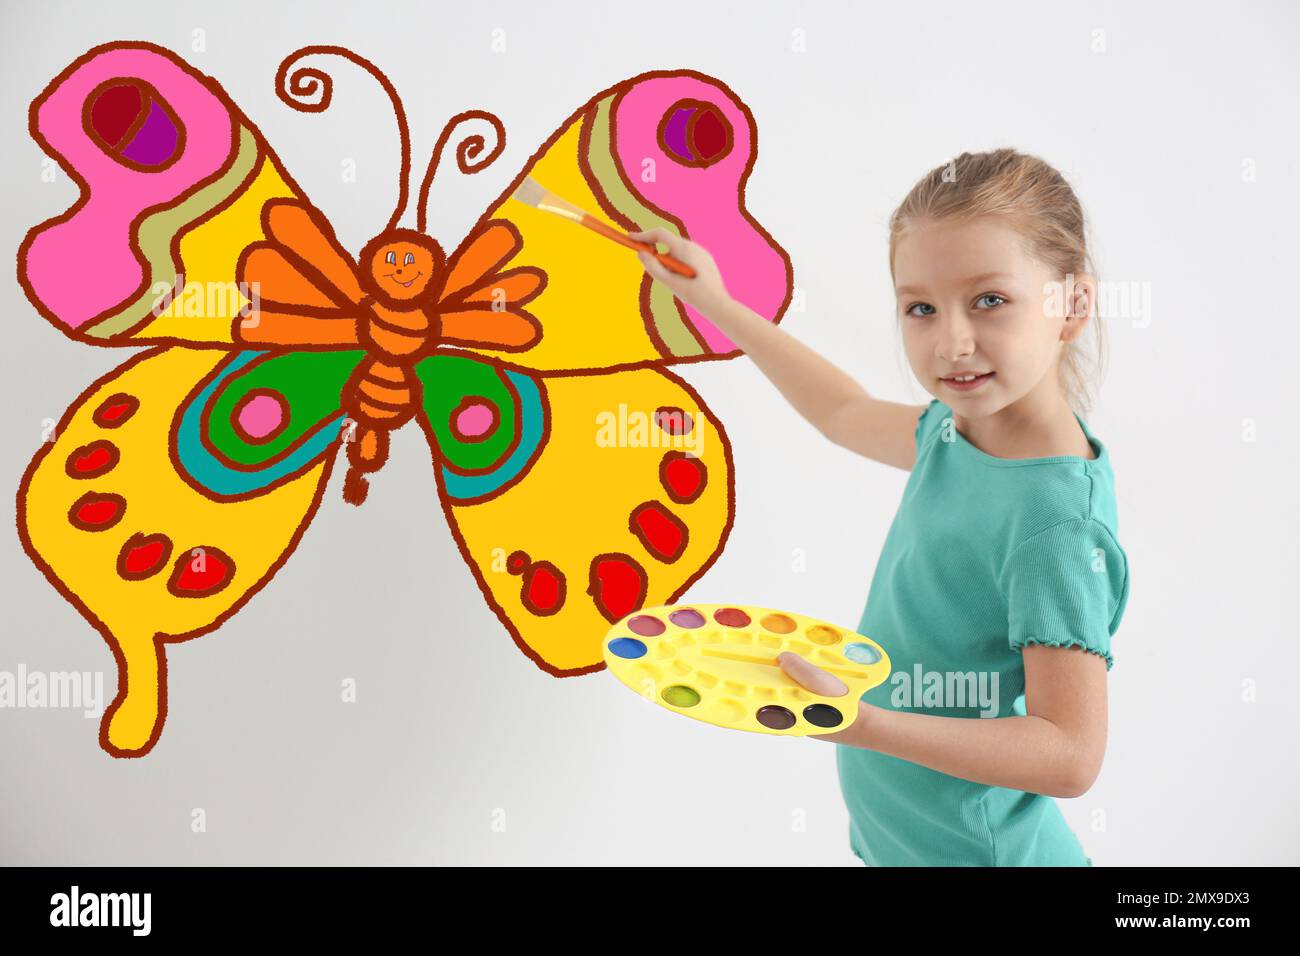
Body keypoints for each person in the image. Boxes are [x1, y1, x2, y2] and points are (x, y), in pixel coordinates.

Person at [630, 147, 1131, 866]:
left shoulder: (1055, 519)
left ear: (1072, 306)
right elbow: (842, 409)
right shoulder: (956, 434)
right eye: (921, 308)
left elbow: (1070, 755)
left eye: (989, 299)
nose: (952, 343)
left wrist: (865, 725)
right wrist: (713, 302)